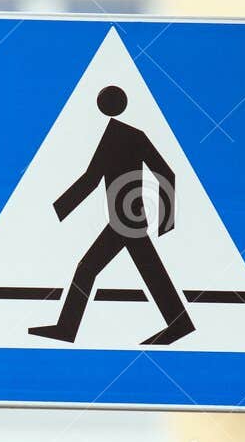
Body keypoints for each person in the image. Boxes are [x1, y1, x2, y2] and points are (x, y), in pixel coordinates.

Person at [28, 85, 194, 346]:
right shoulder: (129, 135)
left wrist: (57, 211)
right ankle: (179, 323)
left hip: (126, 220)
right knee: (141, 270)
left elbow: (92, 179)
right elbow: (165, 174)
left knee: (91, 268)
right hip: (126, 218)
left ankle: (67, 328)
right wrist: (165, 220)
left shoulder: (117, 135)